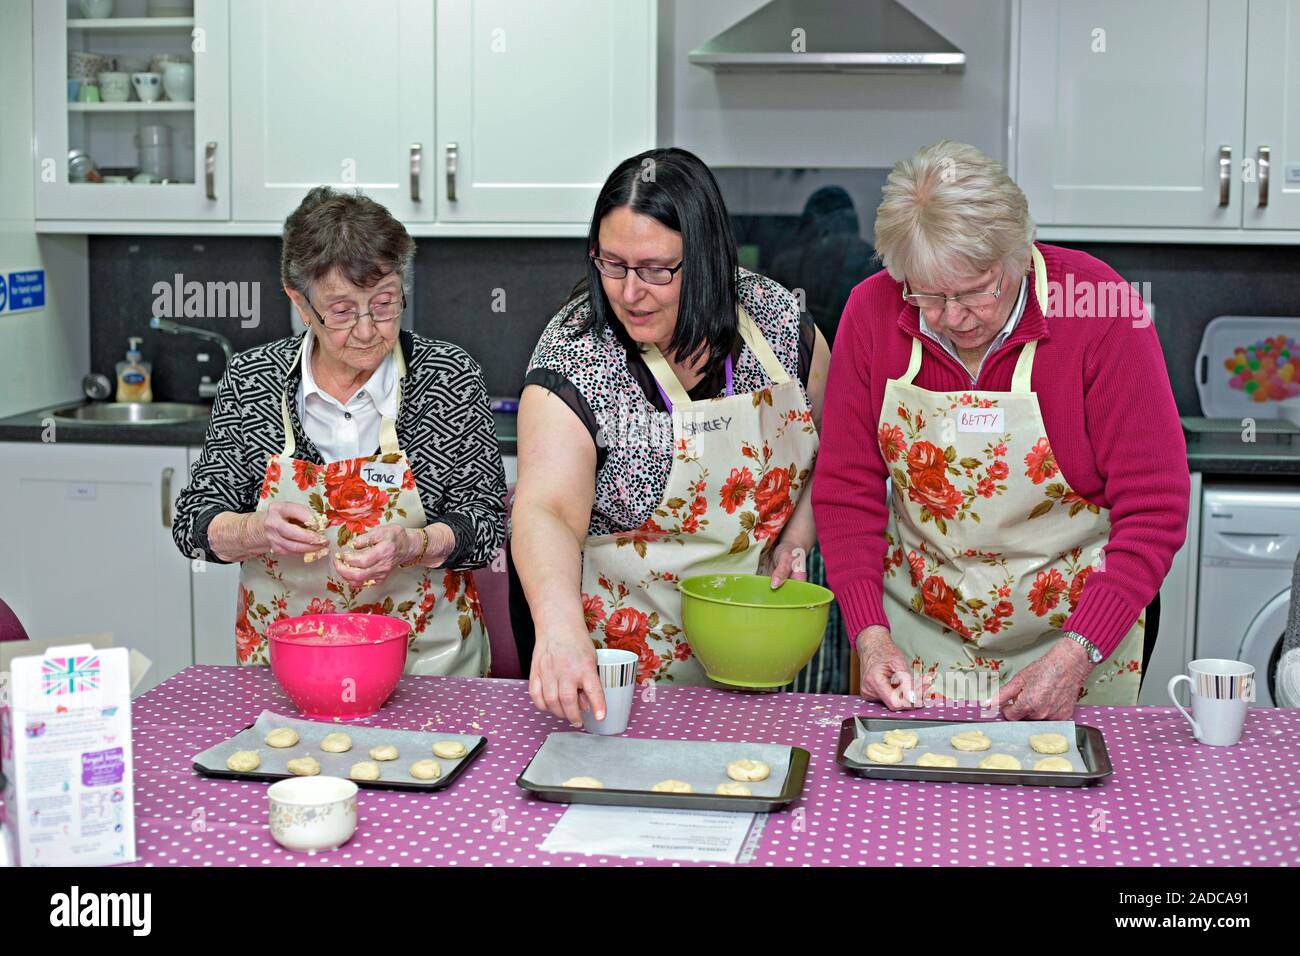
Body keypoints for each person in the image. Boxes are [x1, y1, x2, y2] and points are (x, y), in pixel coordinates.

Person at [813, 141, 1188, 717]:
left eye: (972, 292)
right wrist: (869, 631)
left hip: (1077, 639)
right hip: (920, 642)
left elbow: (1156, 505)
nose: (952, 317)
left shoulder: (1100, 309)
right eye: (927, 296)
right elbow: (846, 491)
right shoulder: (871, 313)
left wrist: (1077, 653)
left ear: (1018, 252)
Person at [510, 147, 829, 724]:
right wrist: (556, 632)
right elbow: (546, 510)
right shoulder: (577, 356)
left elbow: (820, 457)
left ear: (707, 259)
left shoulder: (782, 326)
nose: (631, 292)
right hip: (617, 680)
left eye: (657, 270)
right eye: (612, 264)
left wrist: (795, 541)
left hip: (753, 660)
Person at [173, 187, 505, 675]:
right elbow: (193, 526)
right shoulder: (253, 382)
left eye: (386, 303)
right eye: (343, 311)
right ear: (301, 304)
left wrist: (414, 545)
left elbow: (489, 527)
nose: (369, 330)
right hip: (289, 669)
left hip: (429, 670)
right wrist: (254, 529)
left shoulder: (448, 376)